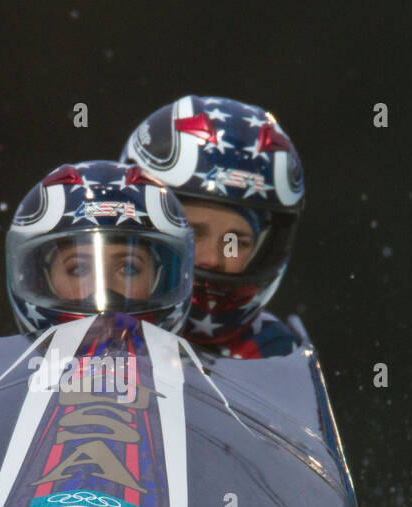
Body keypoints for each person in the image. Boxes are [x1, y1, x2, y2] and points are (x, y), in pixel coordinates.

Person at [122, 95, 305, 358]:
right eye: (194, 234)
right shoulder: (78, 326)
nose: (212, 259)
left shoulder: (273, 353)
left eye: (235, 242)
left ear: (264, 250)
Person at [5, 159, 194, 335]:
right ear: (42, 282)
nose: (104, 288)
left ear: (161, 280)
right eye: (79, 269)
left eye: (128, 269)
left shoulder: (200, 372)